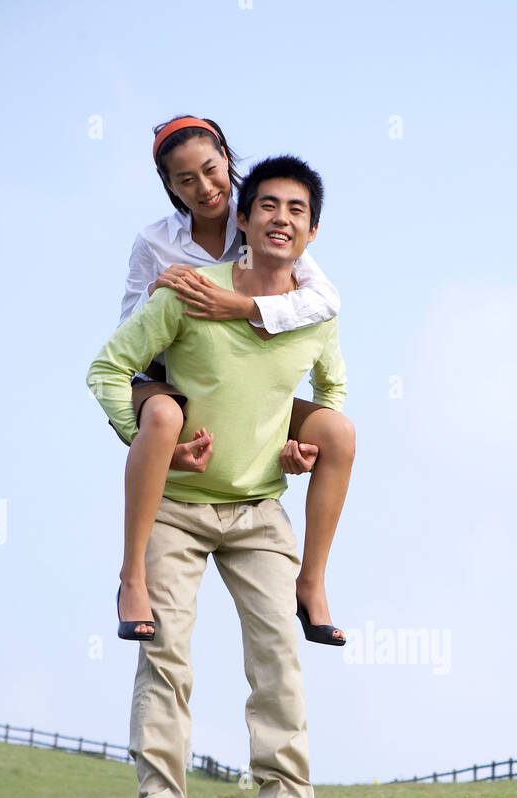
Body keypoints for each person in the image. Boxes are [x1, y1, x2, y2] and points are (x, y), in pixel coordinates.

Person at [87, 156, 346, 798]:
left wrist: (306, 447)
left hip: (260, 509)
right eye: (266, 206)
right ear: (242, 216)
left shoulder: (313, 314)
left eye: (295, 209)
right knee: (166, 650)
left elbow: (333, 391)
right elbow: (108, 368)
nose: (280, 218)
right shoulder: (188, 290)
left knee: (277, 655)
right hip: (176, 505)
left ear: (312, 231)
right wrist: (144, 437)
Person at [115, 115, 354, 645]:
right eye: (185, 181)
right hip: (169, 379)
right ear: (168, 186)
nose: (205, 189)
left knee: (338, 433)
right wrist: (161, 291)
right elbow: (128, 341)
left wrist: (239, 306)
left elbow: (323, 300)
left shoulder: (262, 216)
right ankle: (132, 577)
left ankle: (311, 582)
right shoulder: (154, 241)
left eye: (211, 169)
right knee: (164, 413)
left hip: (250, 382)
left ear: (226, 158)